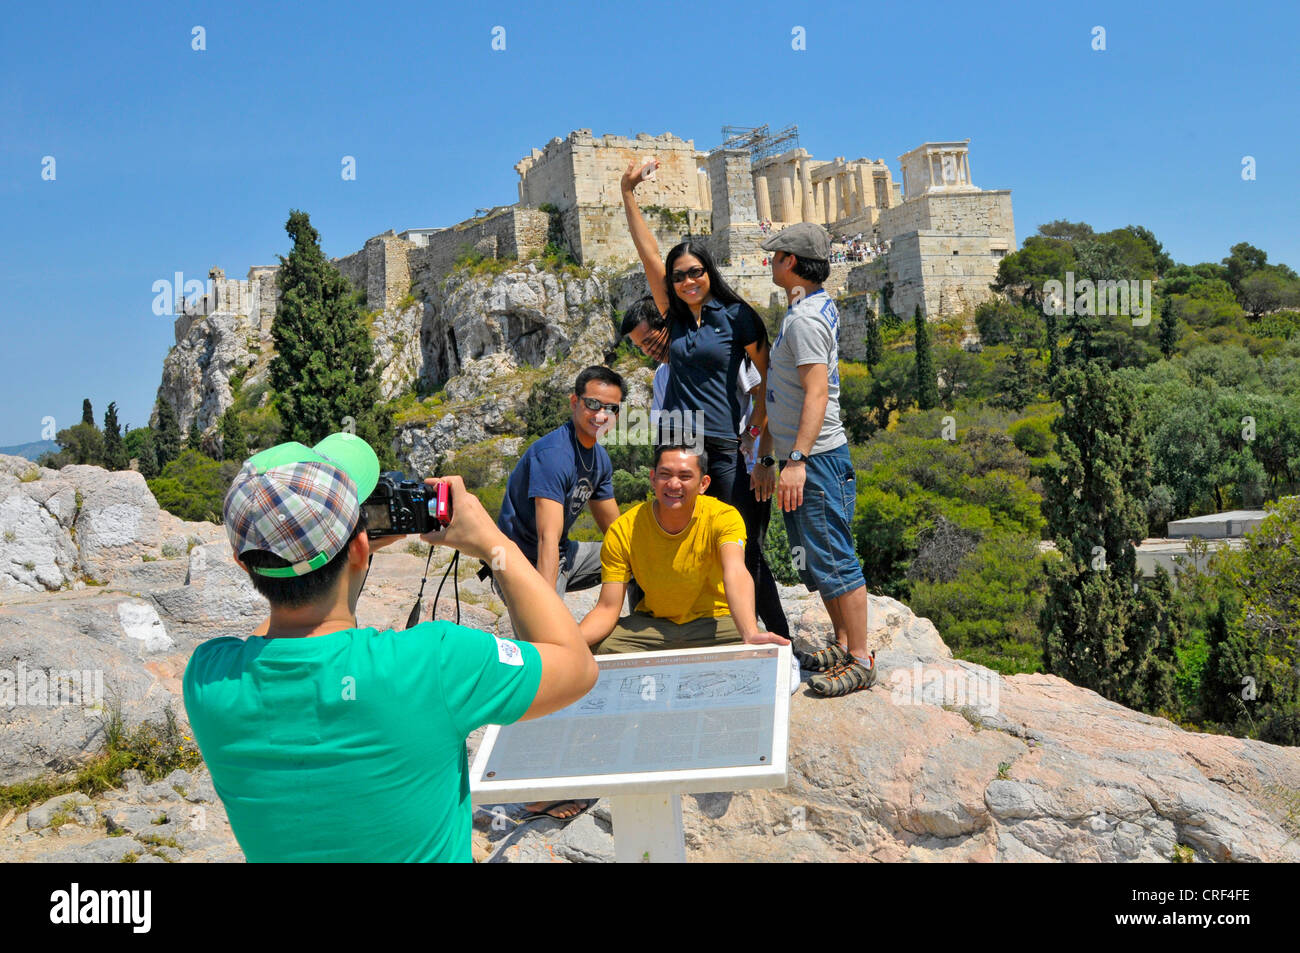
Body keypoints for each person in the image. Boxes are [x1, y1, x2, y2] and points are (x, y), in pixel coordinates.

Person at [182, 434, 597, 861]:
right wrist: (495, 545)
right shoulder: (435, 660)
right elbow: (576, 666)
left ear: (241, 561)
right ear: (361, 547)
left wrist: (341, 557)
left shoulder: (207, 678)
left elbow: (285, 634)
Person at [620, 160, 790, 641]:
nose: (687, 281)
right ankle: (664, 629)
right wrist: (628, 194)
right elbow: (649, 252)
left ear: (709, 272)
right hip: (676, 444)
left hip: (723, 444)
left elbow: (768, 383)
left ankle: (778, 640)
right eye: (678, 276)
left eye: (695, 272)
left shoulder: (738, 318)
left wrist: (759, 443)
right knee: (667, 538)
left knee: (742, 548)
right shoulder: (672, 317)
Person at [758, 222, 878, 697]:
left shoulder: (804, 319)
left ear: (791, 262)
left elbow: (817, 393)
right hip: (815, 456)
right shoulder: (810, 305)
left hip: (818, 459)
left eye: (775, 255)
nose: (769, 262)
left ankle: (862, 659)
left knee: (836, 559)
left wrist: (796, 460)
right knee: (822, 559)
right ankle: (845, 642)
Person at [579, 443, 789, 658]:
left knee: (762, 653)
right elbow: (607, 608)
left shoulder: (723, 516)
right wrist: (567, 644)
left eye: (685, 476)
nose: (673, 484)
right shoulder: (624, 528)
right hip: (652, 627)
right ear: (653, 478)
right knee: (588, 651)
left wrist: (750, 633)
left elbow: (735, 572)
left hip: (715, 623)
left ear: (703, 483)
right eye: (665, 475)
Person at [493, 366, 624, 596]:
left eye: (611, 409)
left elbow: (616, 531)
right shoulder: (553, 455)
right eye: (593, 404)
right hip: (520, 561)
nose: (602, 415)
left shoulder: (599, 459)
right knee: (549, 630)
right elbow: (547, 538)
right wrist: (546, 606)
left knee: (632, 556)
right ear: (574, 402)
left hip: (563, 553)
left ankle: (641, 624)